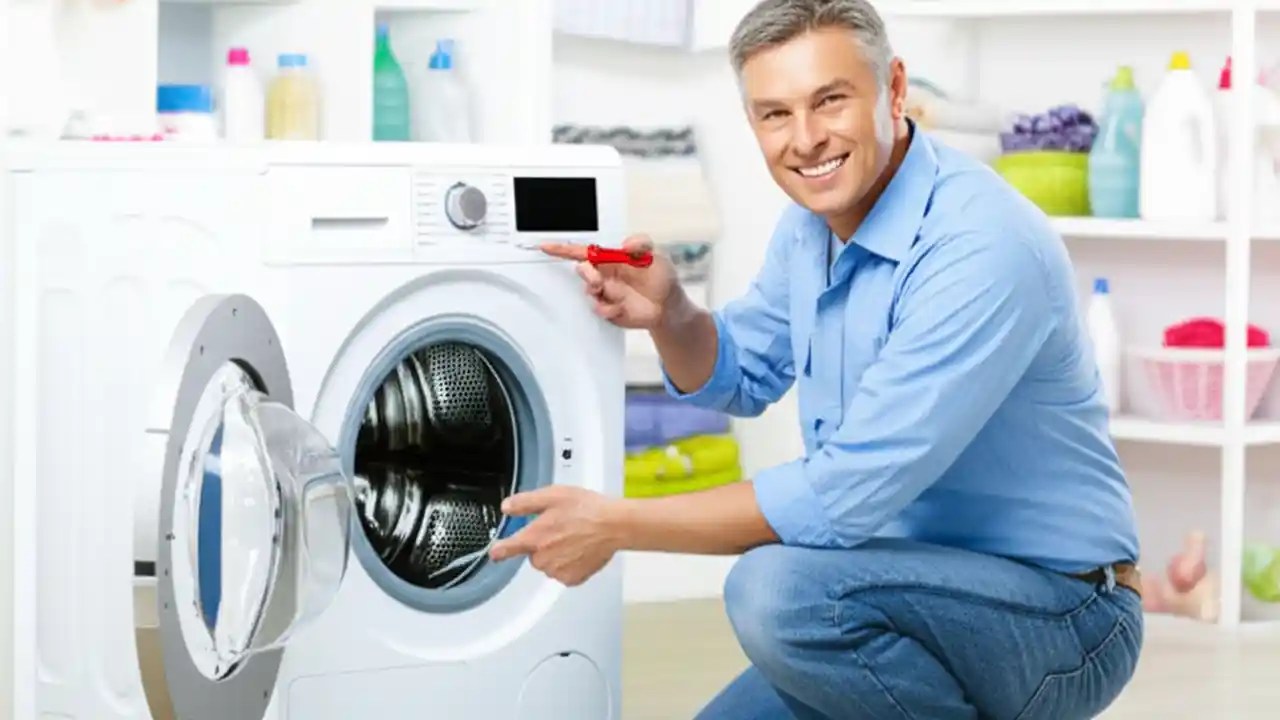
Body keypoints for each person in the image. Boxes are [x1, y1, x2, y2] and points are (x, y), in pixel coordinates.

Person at [488, 0, 1144, 717]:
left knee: (777, 592)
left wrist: (616, 525)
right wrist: (672, 312)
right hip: (895, 600)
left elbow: (841, 497)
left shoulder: (981, 247)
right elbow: (740, 372)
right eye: (774, 115)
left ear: (893, 90)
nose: (804, 140)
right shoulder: (811, 226)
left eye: (829, 101)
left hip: (1062, 615)